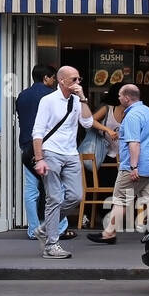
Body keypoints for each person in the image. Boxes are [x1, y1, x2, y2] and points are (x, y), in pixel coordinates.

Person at [31, 66, 91, 258]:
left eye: (79, 79)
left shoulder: (76, 101)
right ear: (62, 81)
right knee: (54, 198)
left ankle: (45, 227)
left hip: (71, 153)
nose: (77, 83)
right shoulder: (47, 101)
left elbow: (88, 123)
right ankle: (51, 245)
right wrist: (39, 158)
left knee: (76, 196)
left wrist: (82, 98)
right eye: (74, 80)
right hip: (51, 152)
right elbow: (38, 131)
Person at [88, 85, 149, 244]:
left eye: (120, 96)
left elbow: (134, 143)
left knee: (120, 200)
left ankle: (109, 233)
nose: (118, 99)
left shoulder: (132, 116)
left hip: (134, 167)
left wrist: (134, 167)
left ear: (127, 98)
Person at [15, 65, 69, 241]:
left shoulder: (22, 95)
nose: (54, 81)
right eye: (53, 78)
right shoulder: (51, 96)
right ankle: (59, 227)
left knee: (31, 189)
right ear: (46, 78)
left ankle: (33, 229)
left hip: (27, 146)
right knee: (55, 187)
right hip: (47, 146)